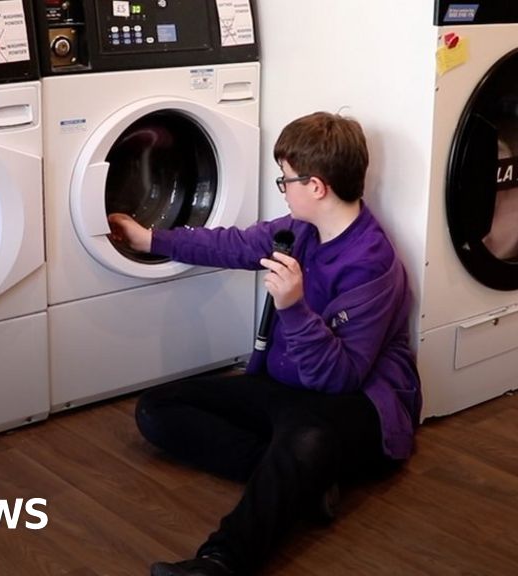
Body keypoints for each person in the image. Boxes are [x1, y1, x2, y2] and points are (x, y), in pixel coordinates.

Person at [108, 111, 421, 576]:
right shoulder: (298, 232)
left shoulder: (371, 262)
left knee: (306, 434)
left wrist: (293, 308)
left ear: (316, 186)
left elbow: (341, 378)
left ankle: (220, 562)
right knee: (157, 409)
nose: (283, 187)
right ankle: (303, 481)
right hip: (289, 392)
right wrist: (149, 237)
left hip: (360, 406)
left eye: (286, 179)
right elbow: (230, 245)